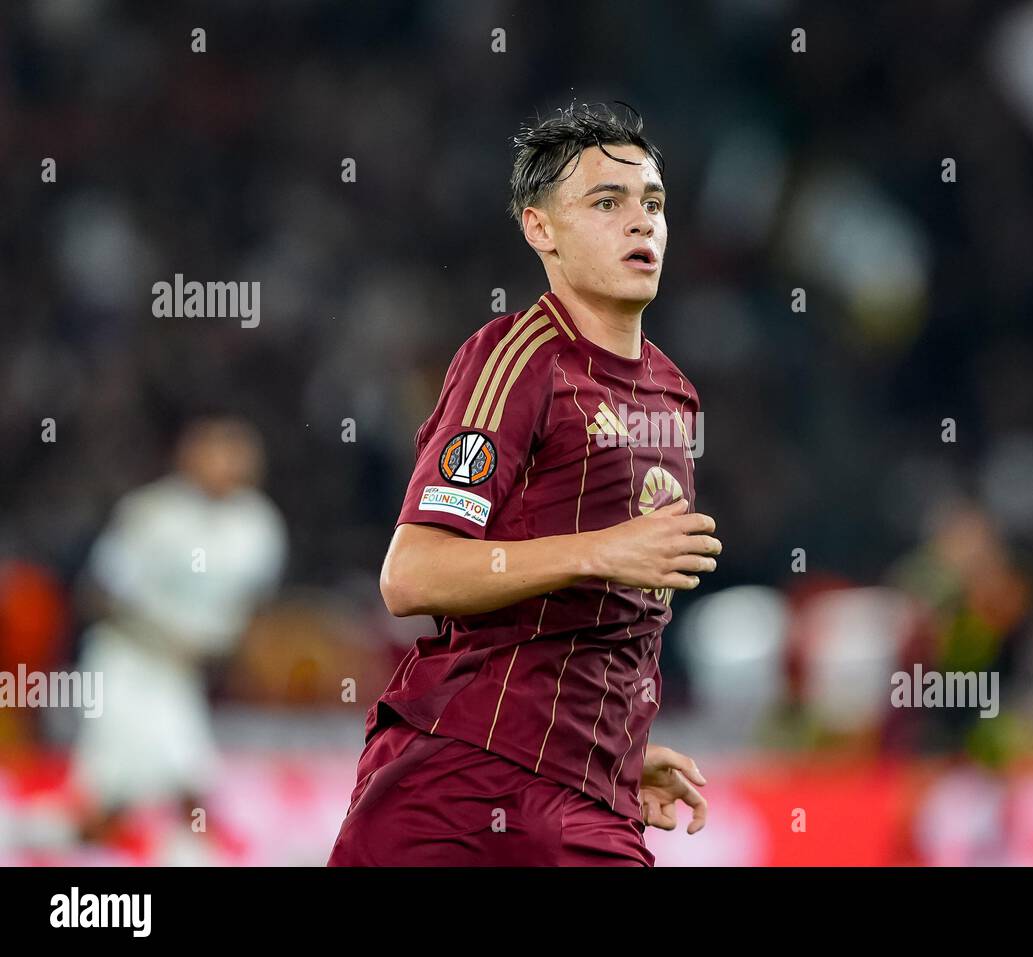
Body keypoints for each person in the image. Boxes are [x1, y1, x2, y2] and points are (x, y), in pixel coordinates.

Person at [329, 103, 720, 866]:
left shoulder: (675, 396)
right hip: (461, 789)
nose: (640, 222)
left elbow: (605, 626)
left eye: (653, 204)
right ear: (541, 229)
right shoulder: (518, 360)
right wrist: (602, 549)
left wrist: (617, 750)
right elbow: (413, 575)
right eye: (607, 203)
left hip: (590, 799)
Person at [70, 416, 287, 861]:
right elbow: (100, 593)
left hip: (181, 670)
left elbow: (252, 608)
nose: (227, 464)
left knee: (172, 770)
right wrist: (166, 635)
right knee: (142, 774)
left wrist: (231, 652)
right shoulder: (151, 514)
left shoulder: (259, 527)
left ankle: (108, 847)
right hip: (127, 657)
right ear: (189, 457)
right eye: (215, 451)